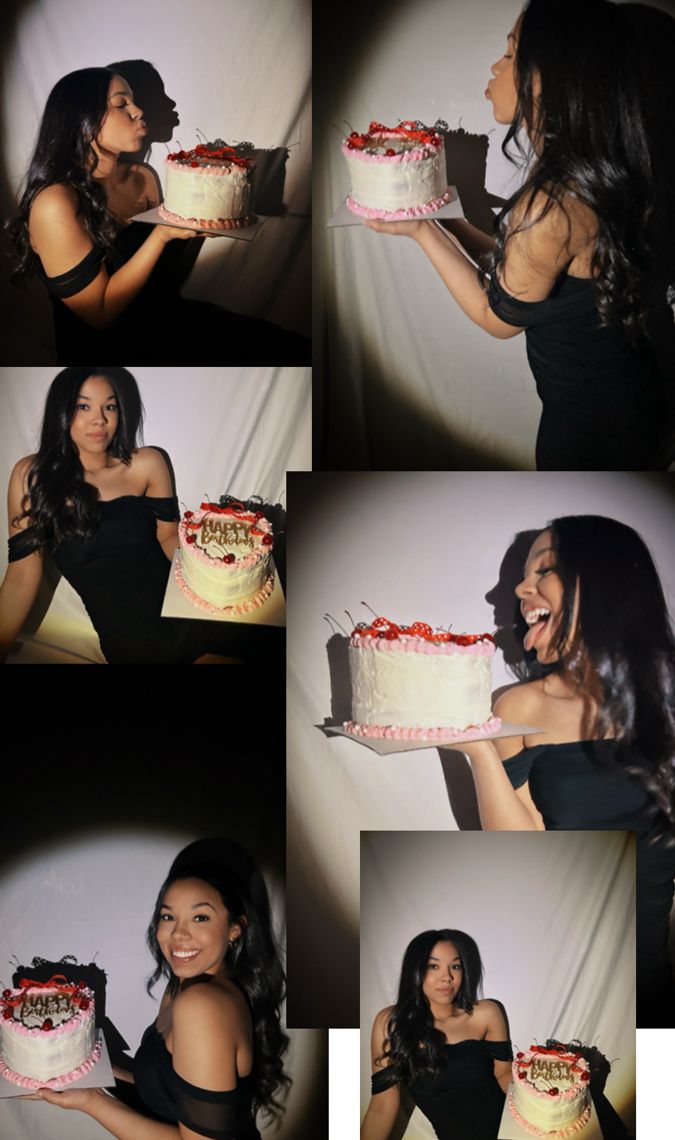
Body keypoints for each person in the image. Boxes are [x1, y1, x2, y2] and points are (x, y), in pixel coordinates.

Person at [364, 0, 675, 468]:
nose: (496, 65)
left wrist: (421, 231)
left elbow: (499, 318)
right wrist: (447, 219)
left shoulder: (553, 205)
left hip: (591, 432)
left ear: (551, 78)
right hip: (641, 401)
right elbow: (526, 273)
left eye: (511, 54)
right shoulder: (607, 175)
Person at [443, 516, 675, 1027]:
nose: (516, 590)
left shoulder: (669, 701)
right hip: (559, 975)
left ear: (603, 581)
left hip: (653, 986)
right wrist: (480, 752)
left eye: (543, 570)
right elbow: (521, 851)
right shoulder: (519, 703)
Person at [29, 854, 290, 1140]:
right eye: (168, 916)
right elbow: (167, 1088)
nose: (179, 933)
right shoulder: (183, 987)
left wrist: (91, 1101)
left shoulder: (203, 1006)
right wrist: (83, 1067)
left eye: (200, 917)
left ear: (234, 928)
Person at [6, 68, 308, 365]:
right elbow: (99, 315)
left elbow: (165, 271)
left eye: (134, 101)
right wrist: (162, 234)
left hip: (165, 319)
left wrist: (199, 225)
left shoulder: (142, 176)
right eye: (122, 104)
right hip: (105, 354)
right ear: (81, 120)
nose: (138, 111)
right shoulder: (54, 202)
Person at [0, 366, 284, 664]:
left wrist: (222, 577)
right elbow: (20, 579)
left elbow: (167, 537)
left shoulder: (147, 463)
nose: (100, 418)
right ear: (61, 411)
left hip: (189, 607)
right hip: (134, 638)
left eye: (109, 406)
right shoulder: (33, 477)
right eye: (83, 406)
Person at [361, 929, 633, 1140]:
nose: (447, 976)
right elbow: (382, 1108)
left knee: (594, 1116)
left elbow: (504, 1076)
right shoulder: (392, 1024)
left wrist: (547, 1103)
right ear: (415, 971)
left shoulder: (486, 1013)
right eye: (434, 967)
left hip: (518, 1128)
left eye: (455, 966)